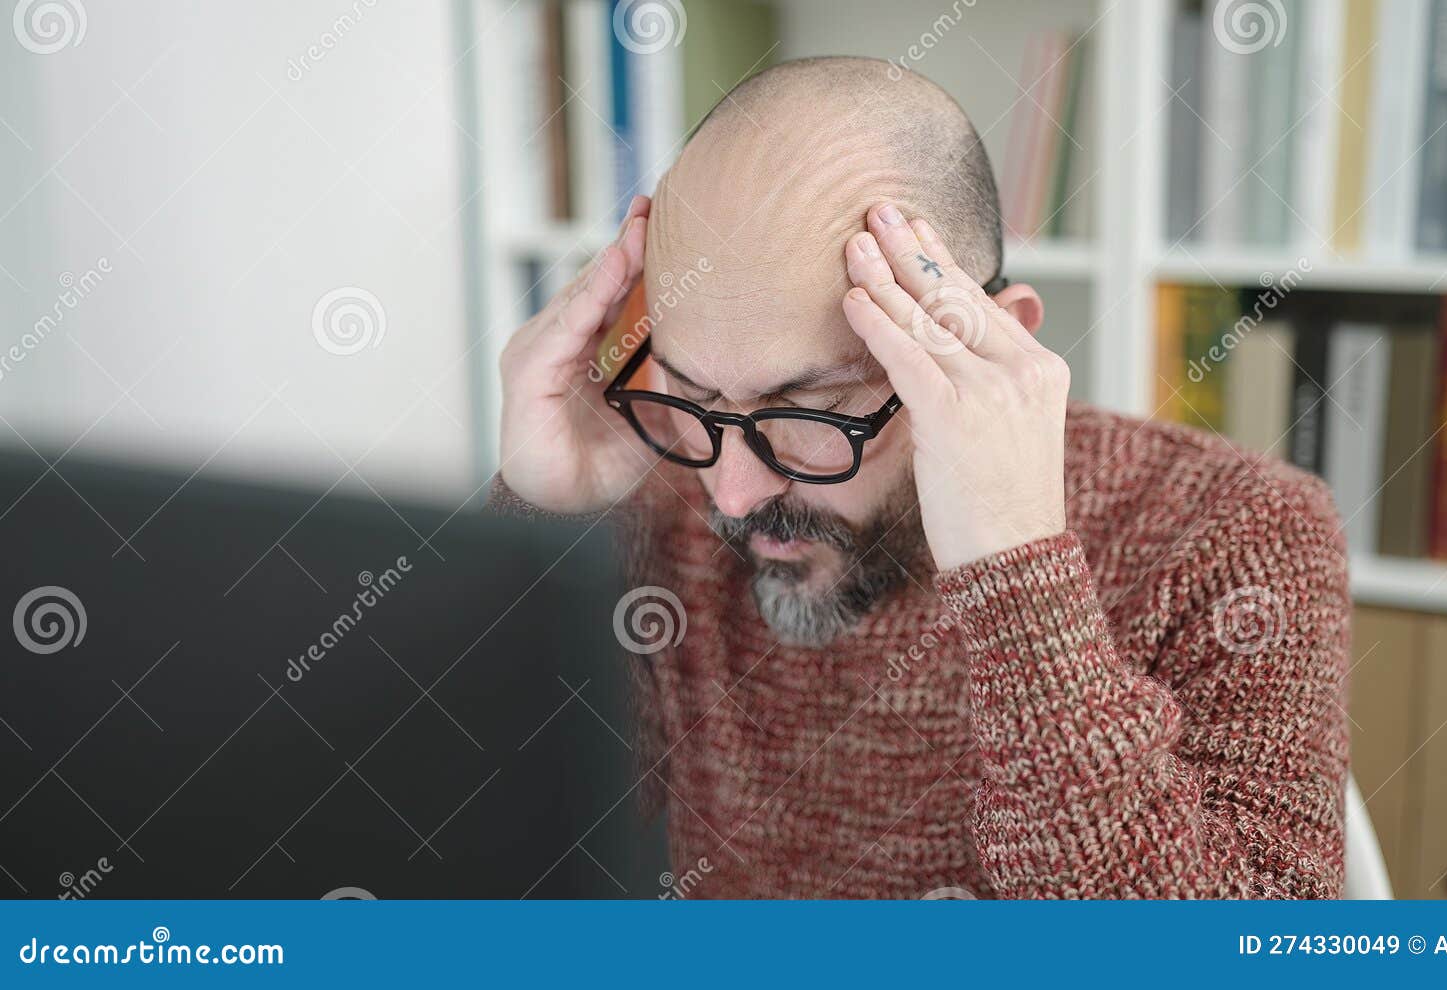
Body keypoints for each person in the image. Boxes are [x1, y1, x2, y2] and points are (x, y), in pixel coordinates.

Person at [490, 57, 1349, 898]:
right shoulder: (656, 486)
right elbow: (453, 859)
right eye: (693, 392)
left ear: (991, 343)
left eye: (806, 411)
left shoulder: (1241, 533)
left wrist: (1016, 578)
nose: (735, 496)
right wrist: (532, 535)